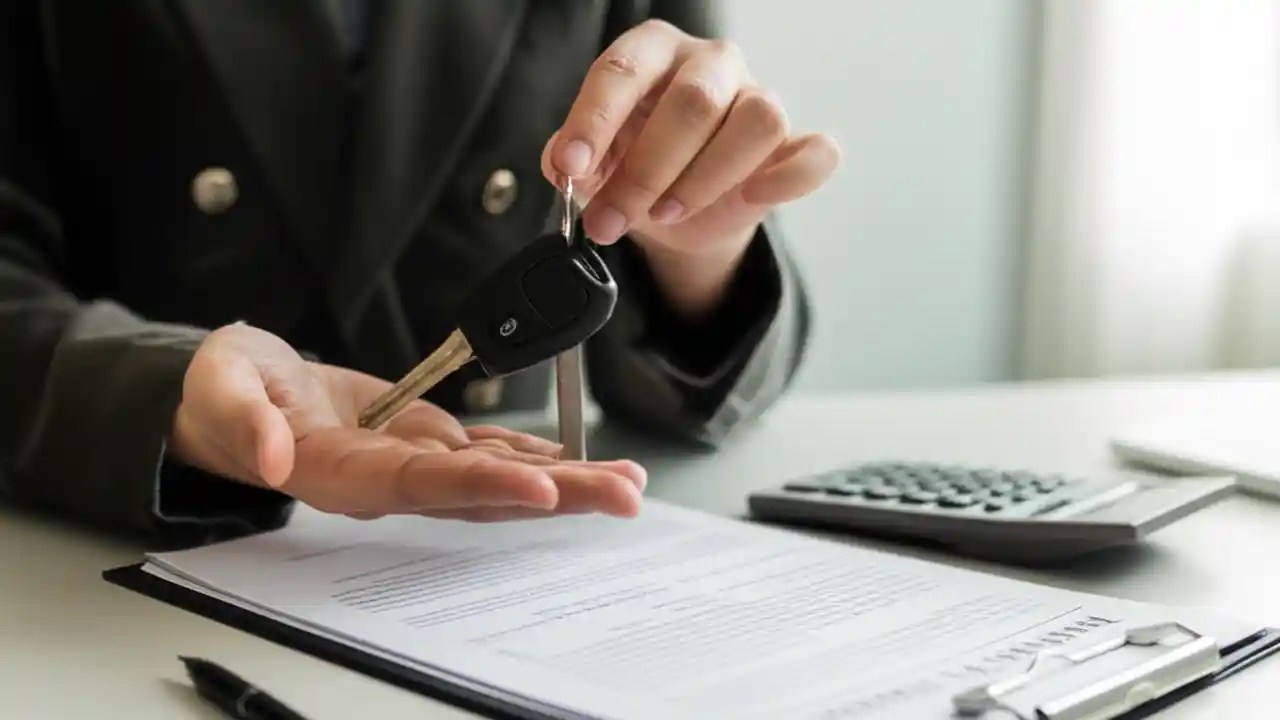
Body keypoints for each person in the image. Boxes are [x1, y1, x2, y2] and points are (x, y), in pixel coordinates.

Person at [0, 1, 838, 546]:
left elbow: (719, 382)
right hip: (124, 553)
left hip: (517, 553)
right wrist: (162, 392)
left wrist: (699, 250)